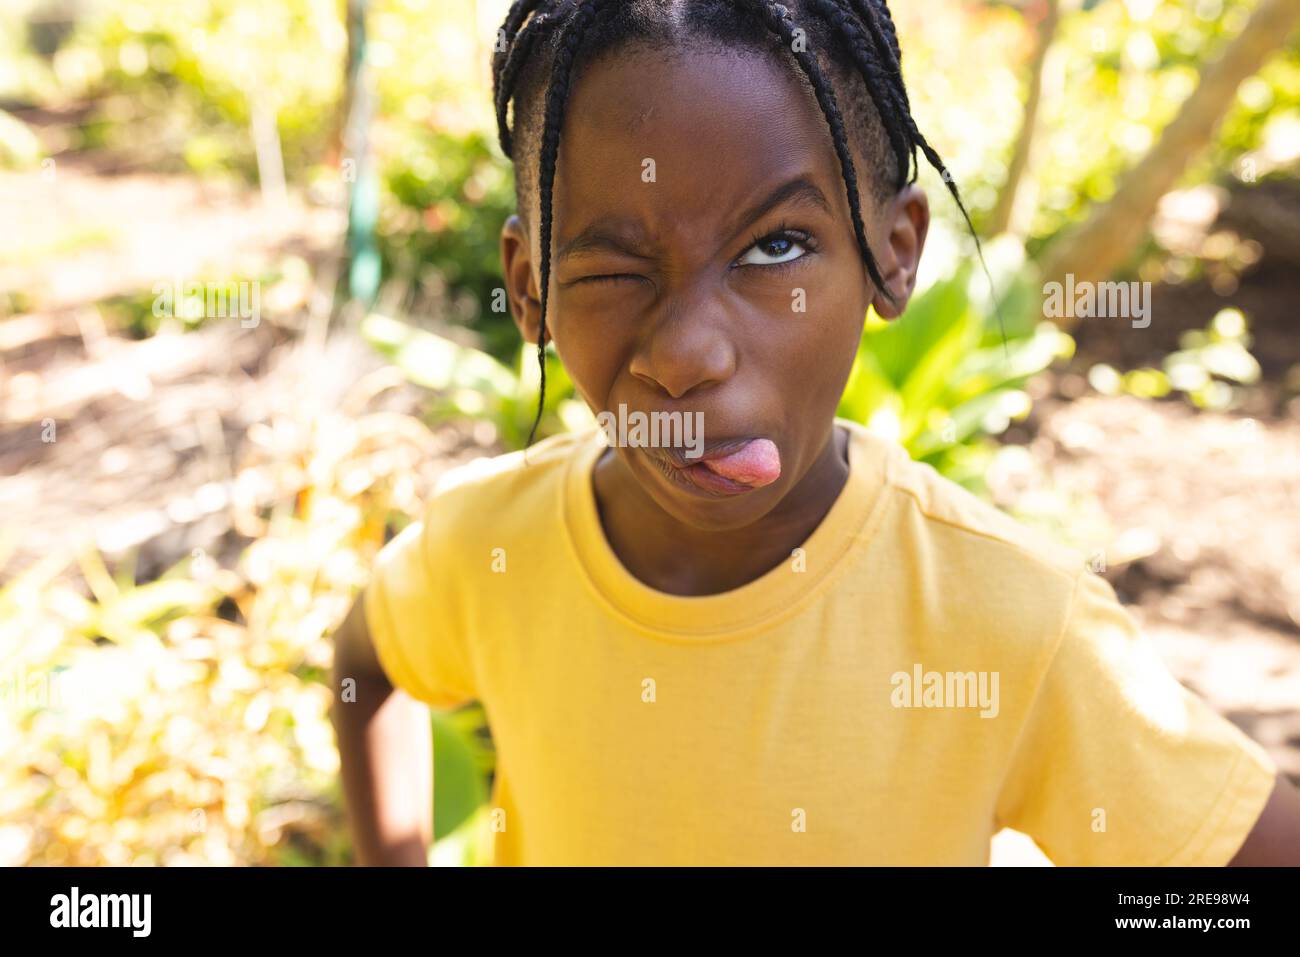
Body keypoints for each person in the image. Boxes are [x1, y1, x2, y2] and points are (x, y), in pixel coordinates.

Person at [331, 0, 1300, 865]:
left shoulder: (1007, 622)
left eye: (775, 247)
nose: (686, 353)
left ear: (892, 252)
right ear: (530, 287)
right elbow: (367, 665)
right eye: (613, 269)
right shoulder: (488, 544)